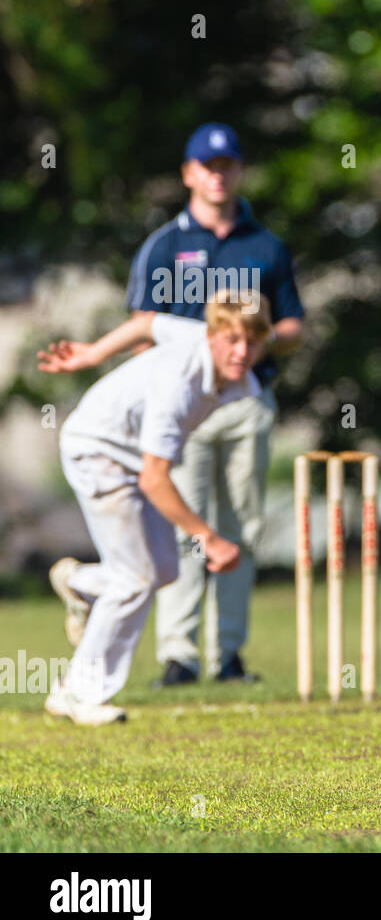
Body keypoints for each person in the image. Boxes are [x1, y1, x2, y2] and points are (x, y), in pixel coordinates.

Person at [123, 123, 303, 686]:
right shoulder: (166, 245)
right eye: (207, 165)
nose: (217, 174)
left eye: (226, 165)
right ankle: (179, 655)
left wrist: (255, 343)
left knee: (242, 526)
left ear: (238, 171)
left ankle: (229, 655)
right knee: (185, 525)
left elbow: (293, 322)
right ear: (189, 173)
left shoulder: (265, 245)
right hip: (186, 406)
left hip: (247, 401)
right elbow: (140, 324)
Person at [38, 291, 272, 724]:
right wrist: (209, 538)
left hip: (128, 456)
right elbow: (155, 478)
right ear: (213, 335)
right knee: (135, 577)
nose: (242, 352)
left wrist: (94, 353)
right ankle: (77, 693)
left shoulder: (200, 343)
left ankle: (82, 583)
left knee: (164, 569)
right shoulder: (179, 386)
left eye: (253, 341)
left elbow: (147, 324)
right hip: (98, 453)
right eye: (232, 339)